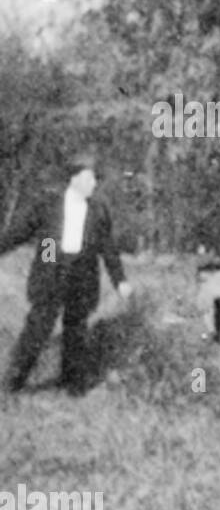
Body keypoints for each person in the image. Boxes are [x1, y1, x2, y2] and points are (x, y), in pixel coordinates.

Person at [0, 155, 132, 395]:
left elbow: (108, 249)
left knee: (76, 331)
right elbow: (18, 232)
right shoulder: (48, 204)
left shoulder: (98, 210)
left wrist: (120, 281)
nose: (94, 183)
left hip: (83, 275)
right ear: (74, 178)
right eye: (90, 178)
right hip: (51, 270)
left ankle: (72, 386)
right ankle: (12, 385)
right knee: (38, 328)